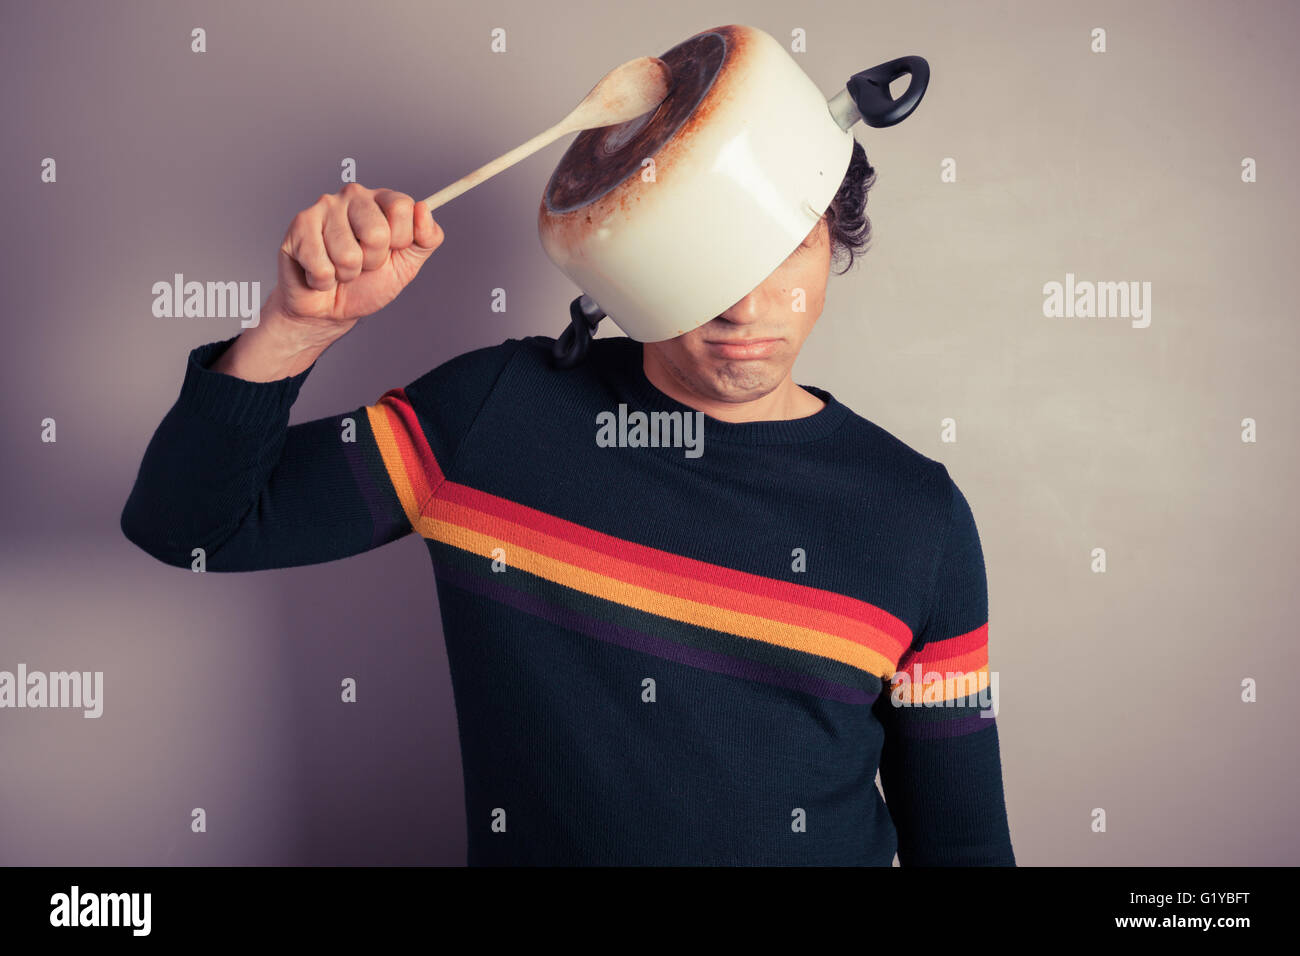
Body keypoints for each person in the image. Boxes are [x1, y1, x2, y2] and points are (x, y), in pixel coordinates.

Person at [121, 140, 1015, 866]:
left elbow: (964, 843)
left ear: (835, 241)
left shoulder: (920, 518)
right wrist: (297, 327)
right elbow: (191, 526)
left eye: (789, 247)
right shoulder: (492, 415)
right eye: (705, 255)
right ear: (624, 266)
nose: (746, 305)